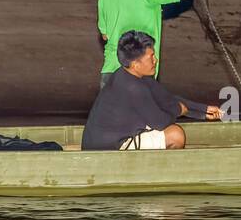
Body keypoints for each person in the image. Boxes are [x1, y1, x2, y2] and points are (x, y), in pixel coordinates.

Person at [83, 31, 221, 151]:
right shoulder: (133, 88)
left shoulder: (128, 74)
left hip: (105, 141)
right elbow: (161, 122)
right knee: (175, 134)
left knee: (164, 118)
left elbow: (166, 99)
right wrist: (180, 111)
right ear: (136, 65)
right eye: (151, 57)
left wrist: (204, 110)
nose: (155, 60)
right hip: (109, 149)